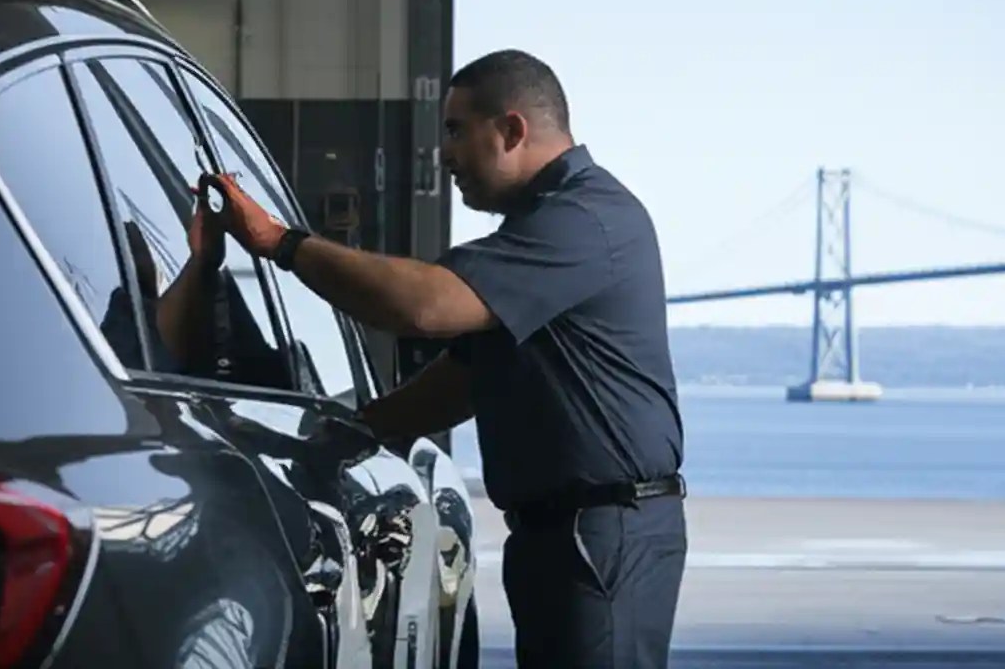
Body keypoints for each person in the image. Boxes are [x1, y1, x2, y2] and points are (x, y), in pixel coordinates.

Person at [213, 48, 687, 667]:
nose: (444, 153)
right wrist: (350, 435)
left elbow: (426, 307)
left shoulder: (583, 220)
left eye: (457, 130)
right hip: (568, 533)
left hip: (601, 530)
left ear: (512, 130)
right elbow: (465, 379)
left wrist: (280, 243)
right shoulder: (541, 233)